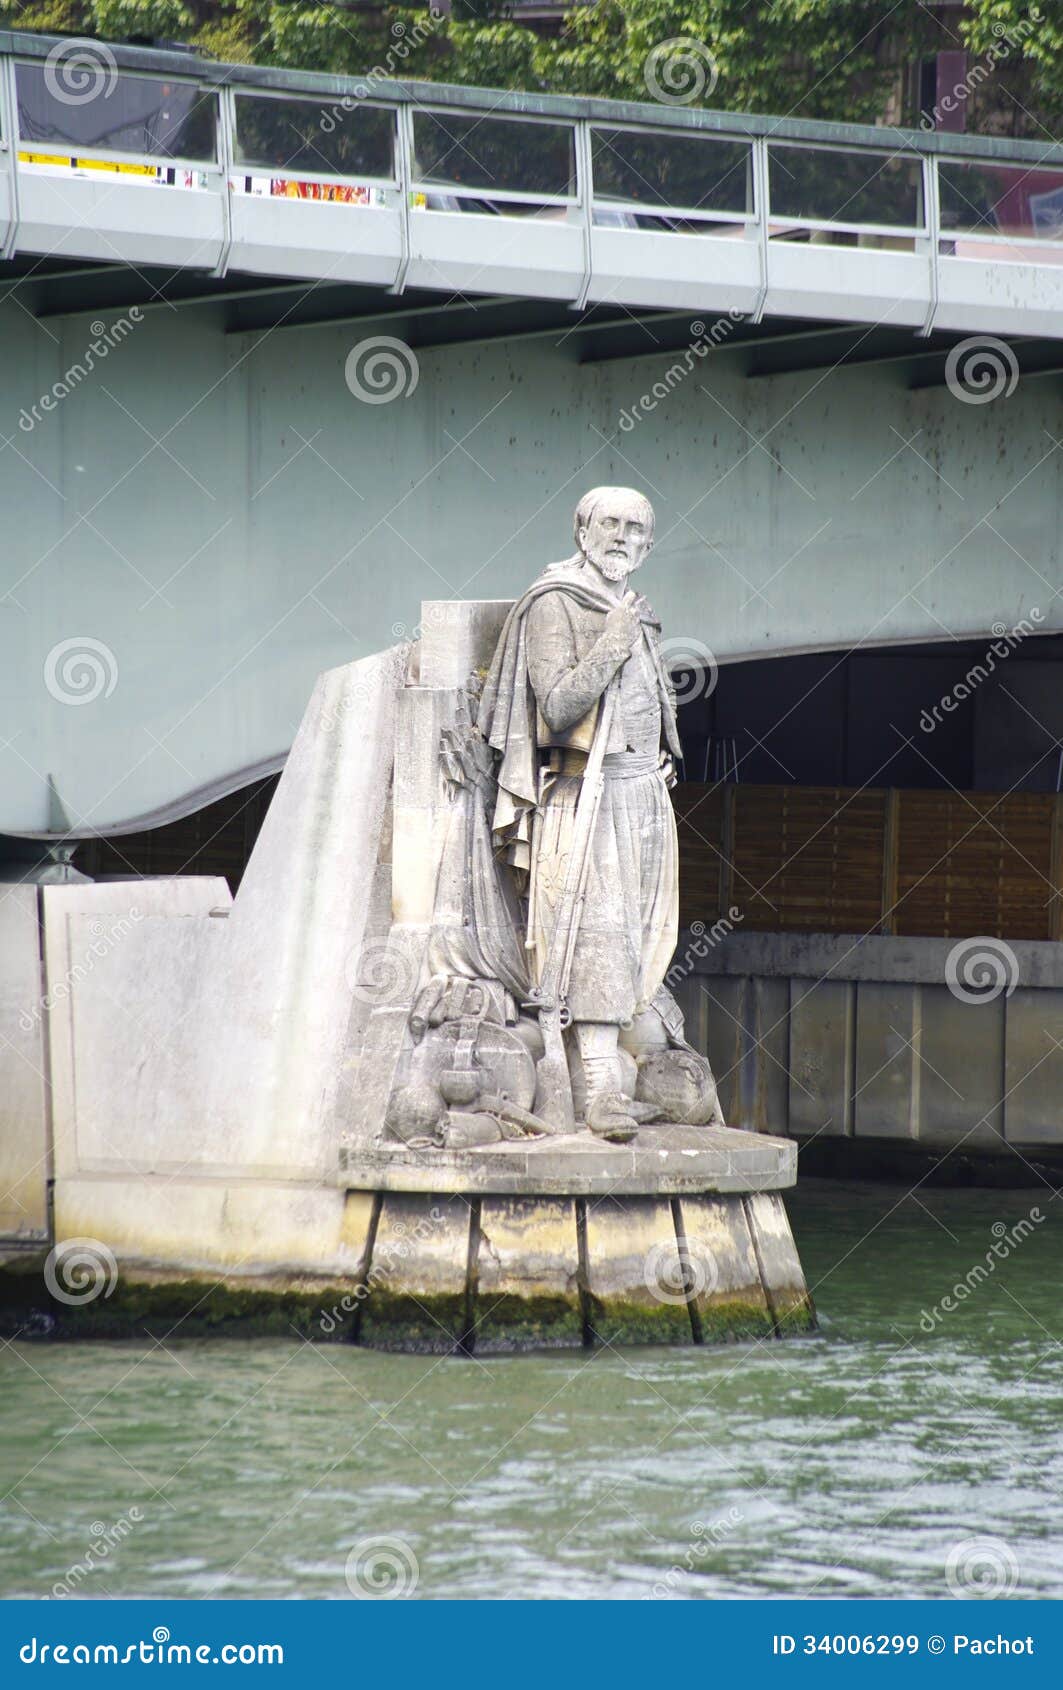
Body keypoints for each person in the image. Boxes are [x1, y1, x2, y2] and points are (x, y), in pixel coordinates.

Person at [478, 486, 685, 1132]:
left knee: (634, 934)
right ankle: (597, 1089)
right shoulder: (554, 603)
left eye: (634, 529)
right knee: (594, 931)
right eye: (610, 524)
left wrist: (662, 752)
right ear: (581, 530)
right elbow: (558, 707)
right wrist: (613, 642)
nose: (621, 537)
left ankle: (613, 1068)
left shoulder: (632, 608)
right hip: (587, 798)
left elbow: (648, 697)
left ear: (648, 544)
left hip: (642, 793)